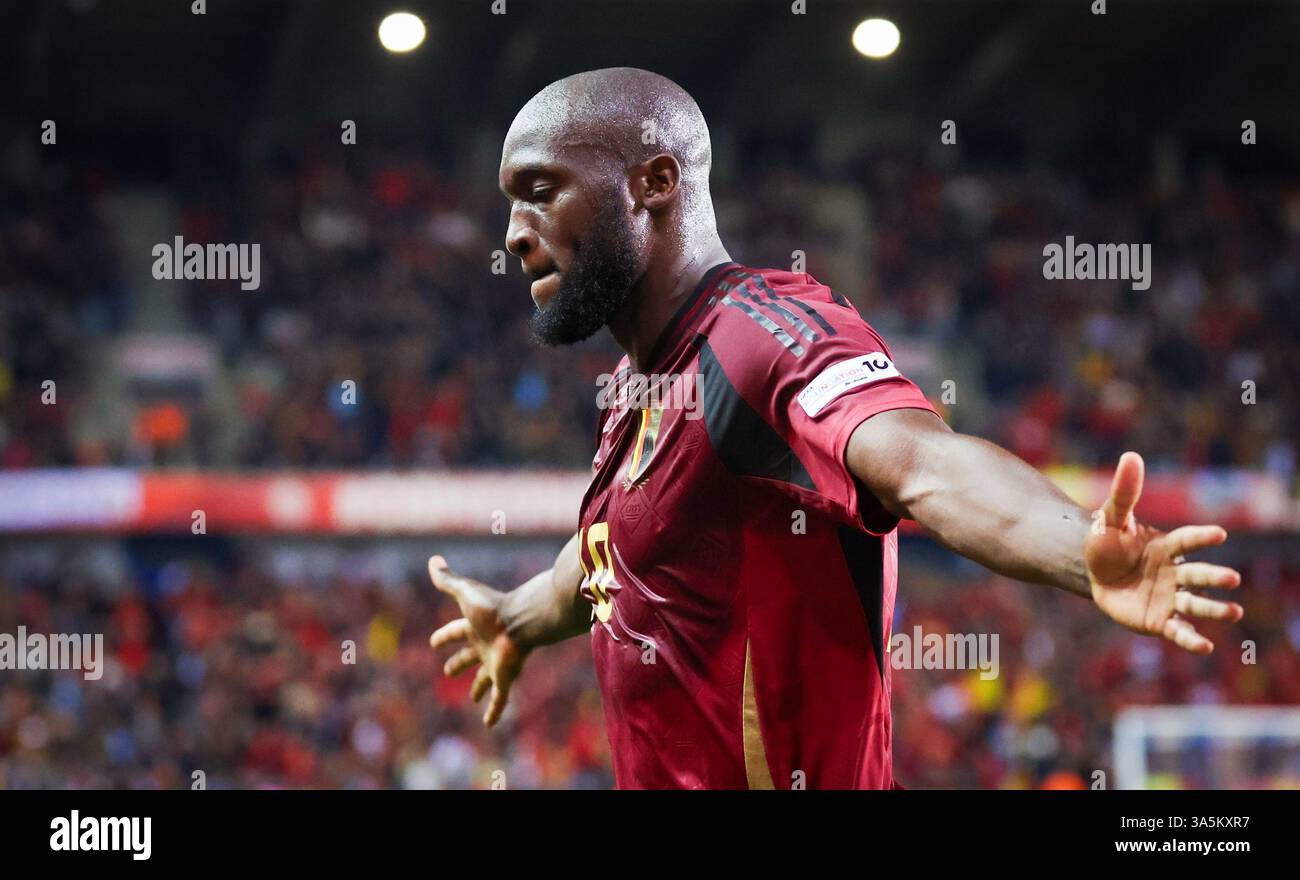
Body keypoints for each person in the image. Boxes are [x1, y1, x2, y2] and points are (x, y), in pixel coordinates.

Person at [428, 68, 1244, 789]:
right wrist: (517, 617)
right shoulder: (637, 388)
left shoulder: (758, 333)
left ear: (654, 181)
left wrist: (1078, 553)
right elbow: (613, 554)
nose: (513, 233)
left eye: (539, 191)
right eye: (508, 202)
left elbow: (922, 464)